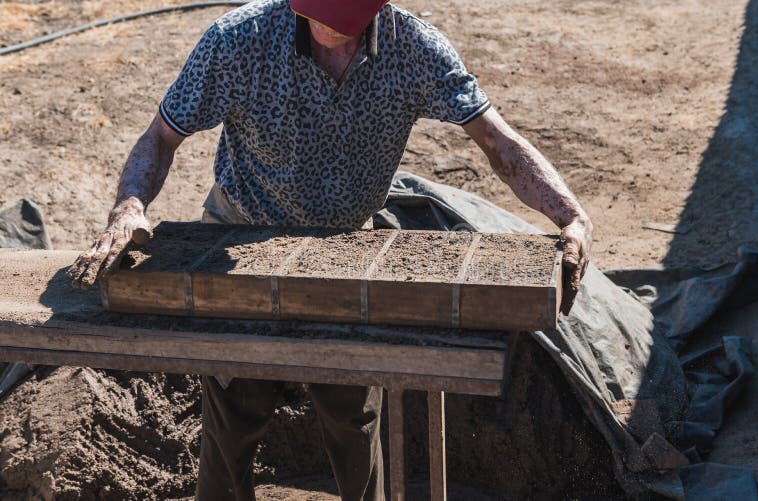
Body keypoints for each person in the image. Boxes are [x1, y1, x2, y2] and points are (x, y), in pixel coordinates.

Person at [67, 0, 593, 499]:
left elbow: (498, 143)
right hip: (242, 235)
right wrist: (129, 206)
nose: (322, 23)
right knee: (233, 414)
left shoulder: (415, 51)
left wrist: (570, 217)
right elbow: (160, 136)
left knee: (354, 415)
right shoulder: (240, 40)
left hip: (345, 248)